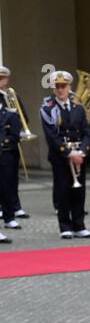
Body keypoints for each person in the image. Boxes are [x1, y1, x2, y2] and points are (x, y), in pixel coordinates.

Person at [40, 70, 90, 239]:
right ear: (54, 89)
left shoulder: (78, 108)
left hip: (79, 154)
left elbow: (86, 132)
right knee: (63, 190)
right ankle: (65, 226)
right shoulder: (48, 109)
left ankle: (79, 225)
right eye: (58, 87)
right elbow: (51, 136)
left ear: (69, 87)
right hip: (61, 156)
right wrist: (69, 153)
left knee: (79, 190)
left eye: (64, 86)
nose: (61, 90)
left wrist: (82, 151)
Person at [0, 66, 30, 222]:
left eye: (3, 78)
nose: (1, 81)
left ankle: (15, 206)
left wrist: (21, 128)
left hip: (13, 141)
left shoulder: (13, 95)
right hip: (2, 141)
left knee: (12, 176)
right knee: (2, 178)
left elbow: (23, 115)